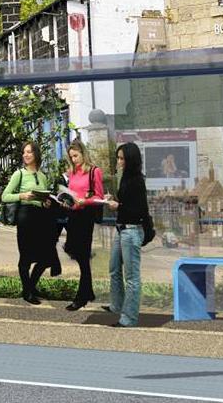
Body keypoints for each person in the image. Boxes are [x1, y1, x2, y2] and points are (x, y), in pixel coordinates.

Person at [1, 140, 55, 305]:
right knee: (25, 256)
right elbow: (5, 196)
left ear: (36, 154)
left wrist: (46, 202)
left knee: (46, 258)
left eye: (29, 152)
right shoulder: (19, 174)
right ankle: (27, 292)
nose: (25, 155)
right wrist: (22, 196)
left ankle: (30, 286)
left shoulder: (43, 176)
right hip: (25, 216)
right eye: (24, 152)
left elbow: (44, 198)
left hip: (41, 218)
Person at [104, 142, 148, 328]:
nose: (119, 162)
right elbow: (126, 203)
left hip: (131, 230)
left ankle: (129, 318)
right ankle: (116, 305)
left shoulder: (137, 180)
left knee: (132, 277)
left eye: (122, 158)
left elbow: (138, 210)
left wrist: (117, 206)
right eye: (118, 158)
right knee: (114, 268)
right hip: (121, 229)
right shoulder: (125, 178)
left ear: (130, 159)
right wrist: (113, 200)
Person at [58, 139, 105, 311]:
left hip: (86, 216)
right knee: (75, 251)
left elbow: (99, 197)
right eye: (71, 157)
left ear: (83, 154)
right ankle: (88, 292)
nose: (74, 159)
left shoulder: (94, 171)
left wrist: (85, 201)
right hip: (73, 214)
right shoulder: (72, 172)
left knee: (83, 256)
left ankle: (81, 297)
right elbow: (72, 192)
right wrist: (66, 201)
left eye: (76, 156)